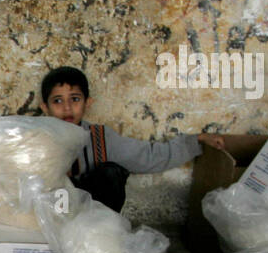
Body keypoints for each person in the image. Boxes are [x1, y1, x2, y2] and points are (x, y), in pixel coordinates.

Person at [40, 66, 226, 212]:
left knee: (111, 173)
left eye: (75, 99)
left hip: (90, 221)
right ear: (45, 107)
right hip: (48, 217)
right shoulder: (33, 138)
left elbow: (149, 156)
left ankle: (103, 238)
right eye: (57, 101)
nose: (67, 108)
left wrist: (196, 141)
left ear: (88, 102)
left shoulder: (100, 138)